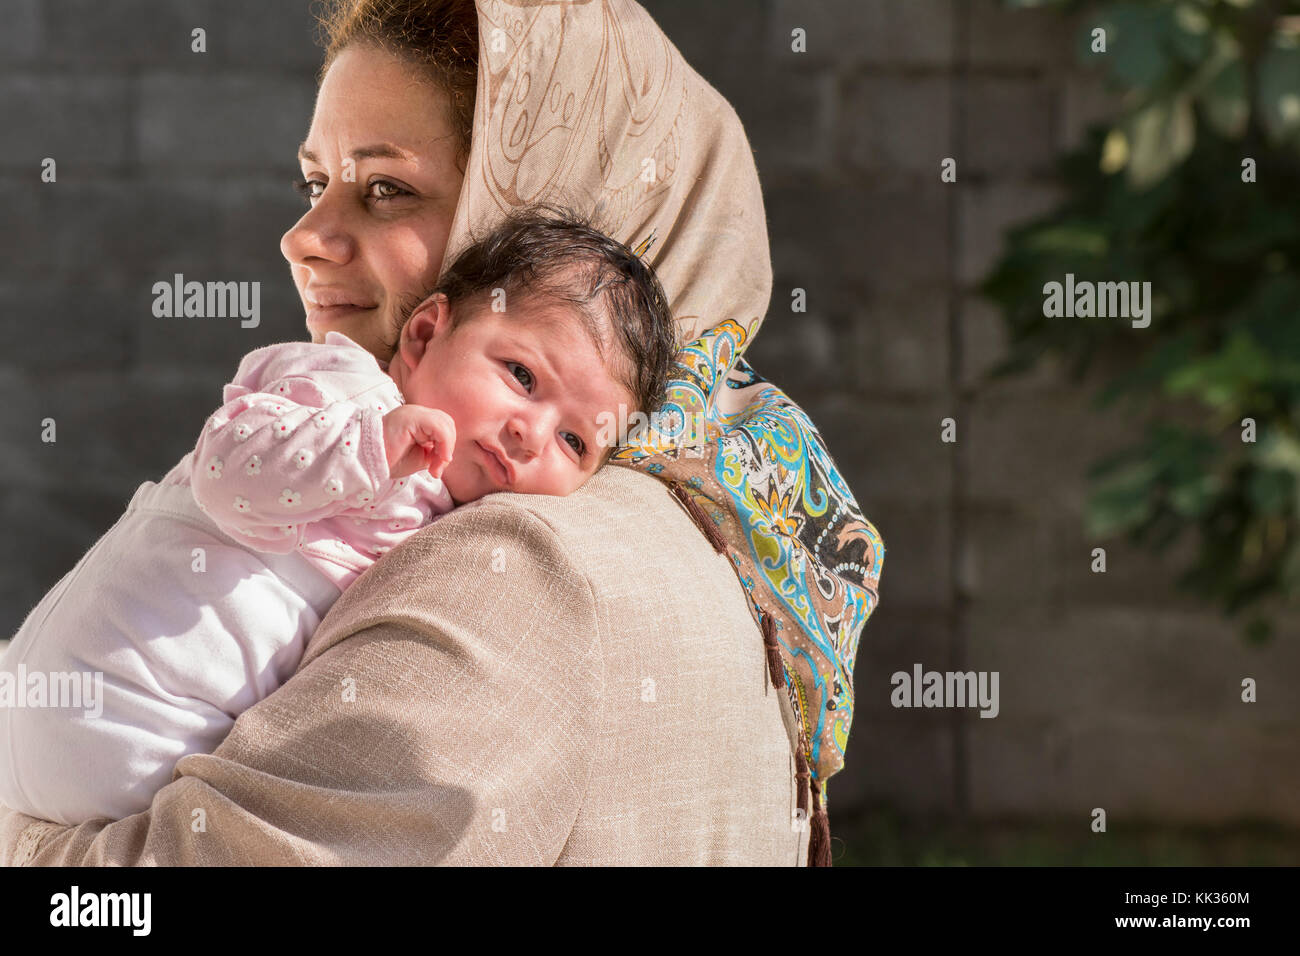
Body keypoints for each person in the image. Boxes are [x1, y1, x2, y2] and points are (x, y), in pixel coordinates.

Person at [2, 0, 880, 866]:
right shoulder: (726, 518)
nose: (303, 237)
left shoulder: (512, 558)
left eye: (387, 188)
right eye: (317, 182)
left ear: (538, 205)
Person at [0, 207, 677, 826]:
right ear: (423, 334)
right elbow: (225, 471)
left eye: (575, 442)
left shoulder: (468, 540)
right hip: (102, 701)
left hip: (144, 776)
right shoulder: (345, 388)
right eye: (522, 377)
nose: (530, 433)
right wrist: (370, 448)